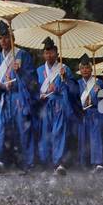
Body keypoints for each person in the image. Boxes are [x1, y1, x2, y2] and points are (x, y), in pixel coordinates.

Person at [0, 20, 37, 173]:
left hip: (19, 97)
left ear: (12, 38)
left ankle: (26, 164)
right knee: (0, 129)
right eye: (0, 38)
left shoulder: (23, 55)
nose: (3, 41)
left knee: (22, 129)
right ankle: (0, 161)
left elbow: (32, 79)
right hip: (4, 99)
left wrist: (21, 72)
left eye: (6, 37)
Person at [35, 38, 75, 175]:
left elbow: (74, 90)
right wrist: (39, 95)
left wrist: (65, 80)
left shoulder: (64, 69)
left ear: (57, 53)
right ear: (43, 55)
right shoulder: (39, 70)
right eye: (46, 53)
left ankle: (59, 163)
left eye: (52, 52)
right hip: (45, 105)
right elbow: (34, 88)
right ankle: (48, 162)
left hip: (59, 104)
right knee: (46, 133)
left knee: (59, 132)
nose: (49, 55)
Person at [74, 58, 103, 171]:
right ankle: (84, 162)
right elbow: (74, 100)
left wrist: (100, 94)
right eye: (82, 68)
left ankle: (98, 162)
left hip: (95, 113)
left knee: (96, 138)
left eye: (87, 67)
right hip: (82, 113)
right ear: (79, 70)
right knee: (83, 138)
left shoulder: (99, 83)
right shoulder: (77, 83)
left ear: (91, 69)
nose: (85, 70)